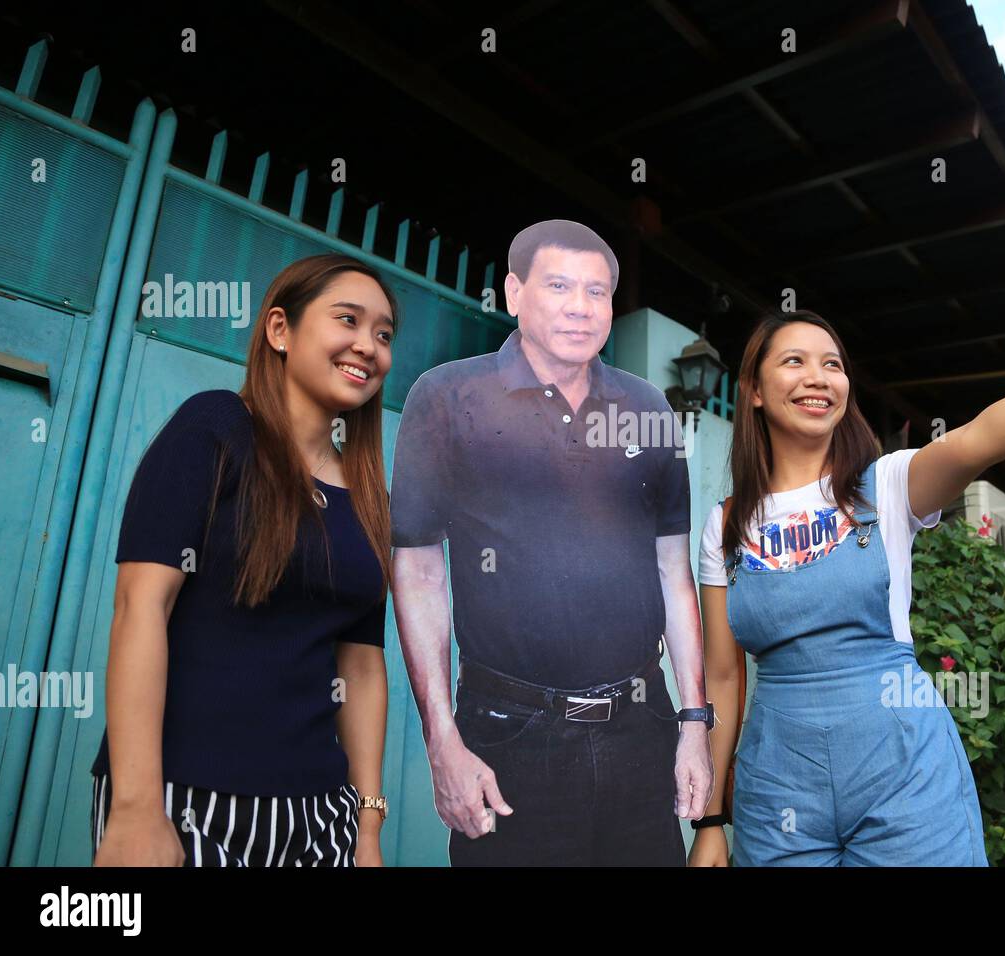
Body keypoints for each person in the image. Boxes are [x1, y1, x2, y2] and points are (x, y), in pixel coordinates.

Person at [691, 300, 1005, 866]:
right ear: (754, 390)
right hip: (778, 787)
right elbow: (721, 677)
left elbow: (979, 438)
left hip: (901, 771)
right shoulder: (724, 524)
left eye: (833, 365)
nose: (818, 377)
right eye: (794, 361)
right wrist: (711, 818)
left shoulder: (885, 485)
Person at [390, 219, 713, 866]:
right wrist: (441, 739)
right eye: (559, 285)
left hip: (639, 728)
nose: (580, 307)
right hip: (511, 736)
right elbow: (419, 572)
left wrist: (693, 726)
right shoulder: (450, 399)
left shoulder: (646, 408)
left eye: (597, 293)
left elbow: (673, 574)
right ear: (513, 292)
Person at [90, 254, 397, 867]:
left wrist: (366, 830)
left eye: (384, 335)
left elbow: (361, 668)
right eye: (348, 320)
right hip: (188, 801)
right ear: (280, 330)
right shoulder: (214, 429)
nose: (368, 346)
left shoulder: (368, 499)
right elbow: (140, 607)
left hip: (320, 818)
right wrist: (135, 809)